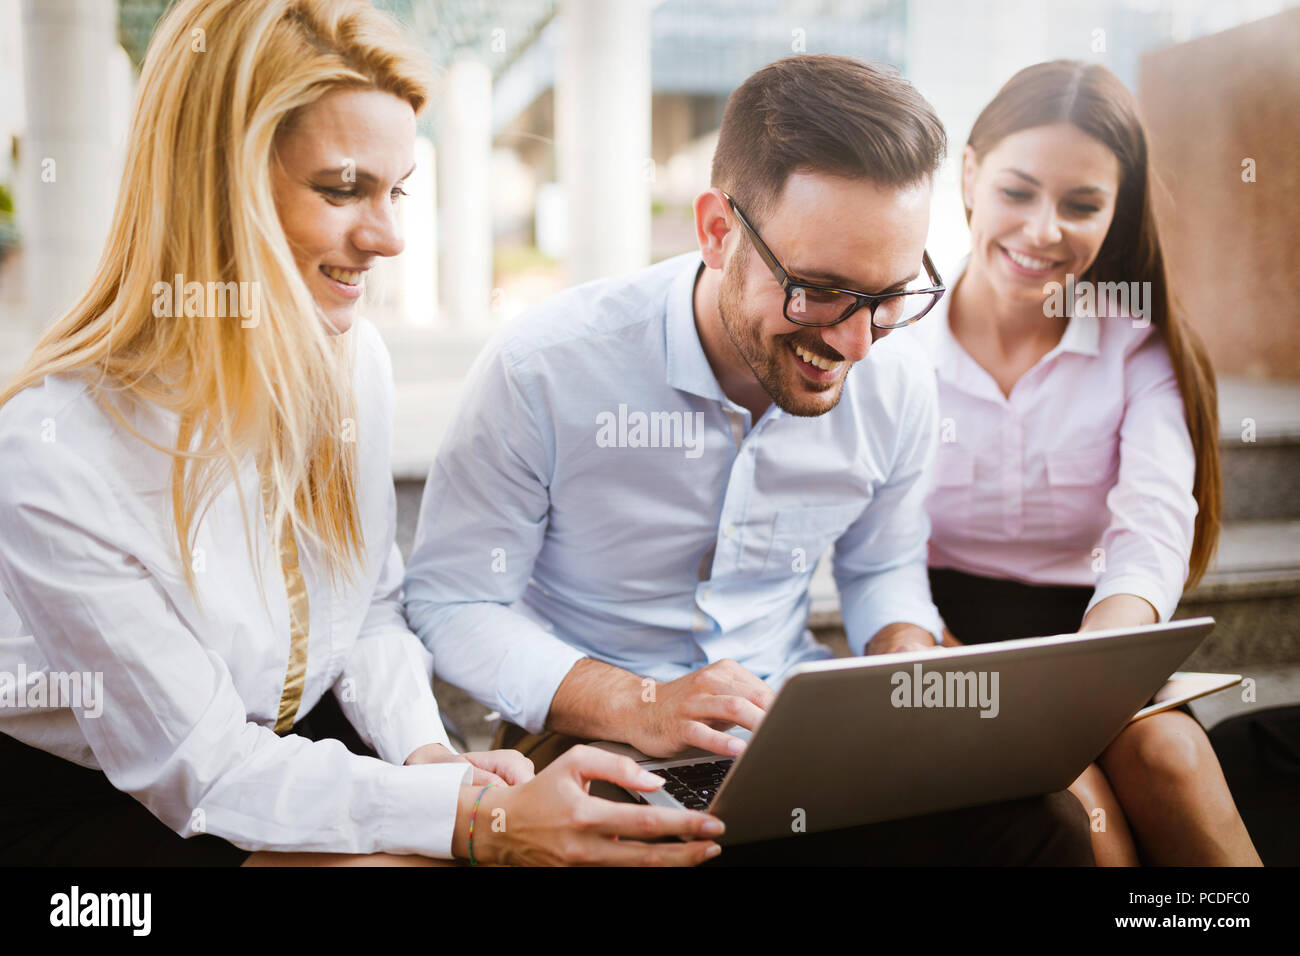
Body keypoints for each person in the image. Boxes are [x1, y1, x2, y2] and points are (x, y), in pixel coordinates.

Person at [0, 0, 723, 867]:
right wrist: (467, 821)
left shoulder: (352, 360)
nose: (387, 237)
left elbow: (369, 608)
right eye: (343, 189)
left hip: (292, 745)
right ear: (215, 189)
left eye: (398, 190)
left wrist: (431, 762)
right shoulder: (55, 454)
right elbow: (205, 772)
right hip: (99, 805)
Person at [404, 54, 1095, 865]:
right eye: (819, 289)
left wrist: (906, 655)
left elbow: (881, 569)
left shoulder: (898, 378)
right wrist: (639, 702)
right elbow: (453, 601)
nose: (854, 342)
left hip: (788, 726)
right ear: (716, 232)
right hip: (588, 738)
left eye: (889, 296)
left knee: (1040, 824)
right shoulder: (546, 367)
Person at [906, 60, 1260, 866]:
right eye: (1018, 192)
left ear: (1116, 210)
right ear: (968, 175)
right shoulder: (894, 347)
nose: (1043, 230)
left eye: (1081, 204)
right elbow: (872, 555)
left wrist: (1087, 678)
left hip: (1098, 627)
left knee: (1170, 759)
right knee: (1078, 809)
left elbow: (1154, 528)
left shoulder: (1140, 347)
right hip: (941, 635)